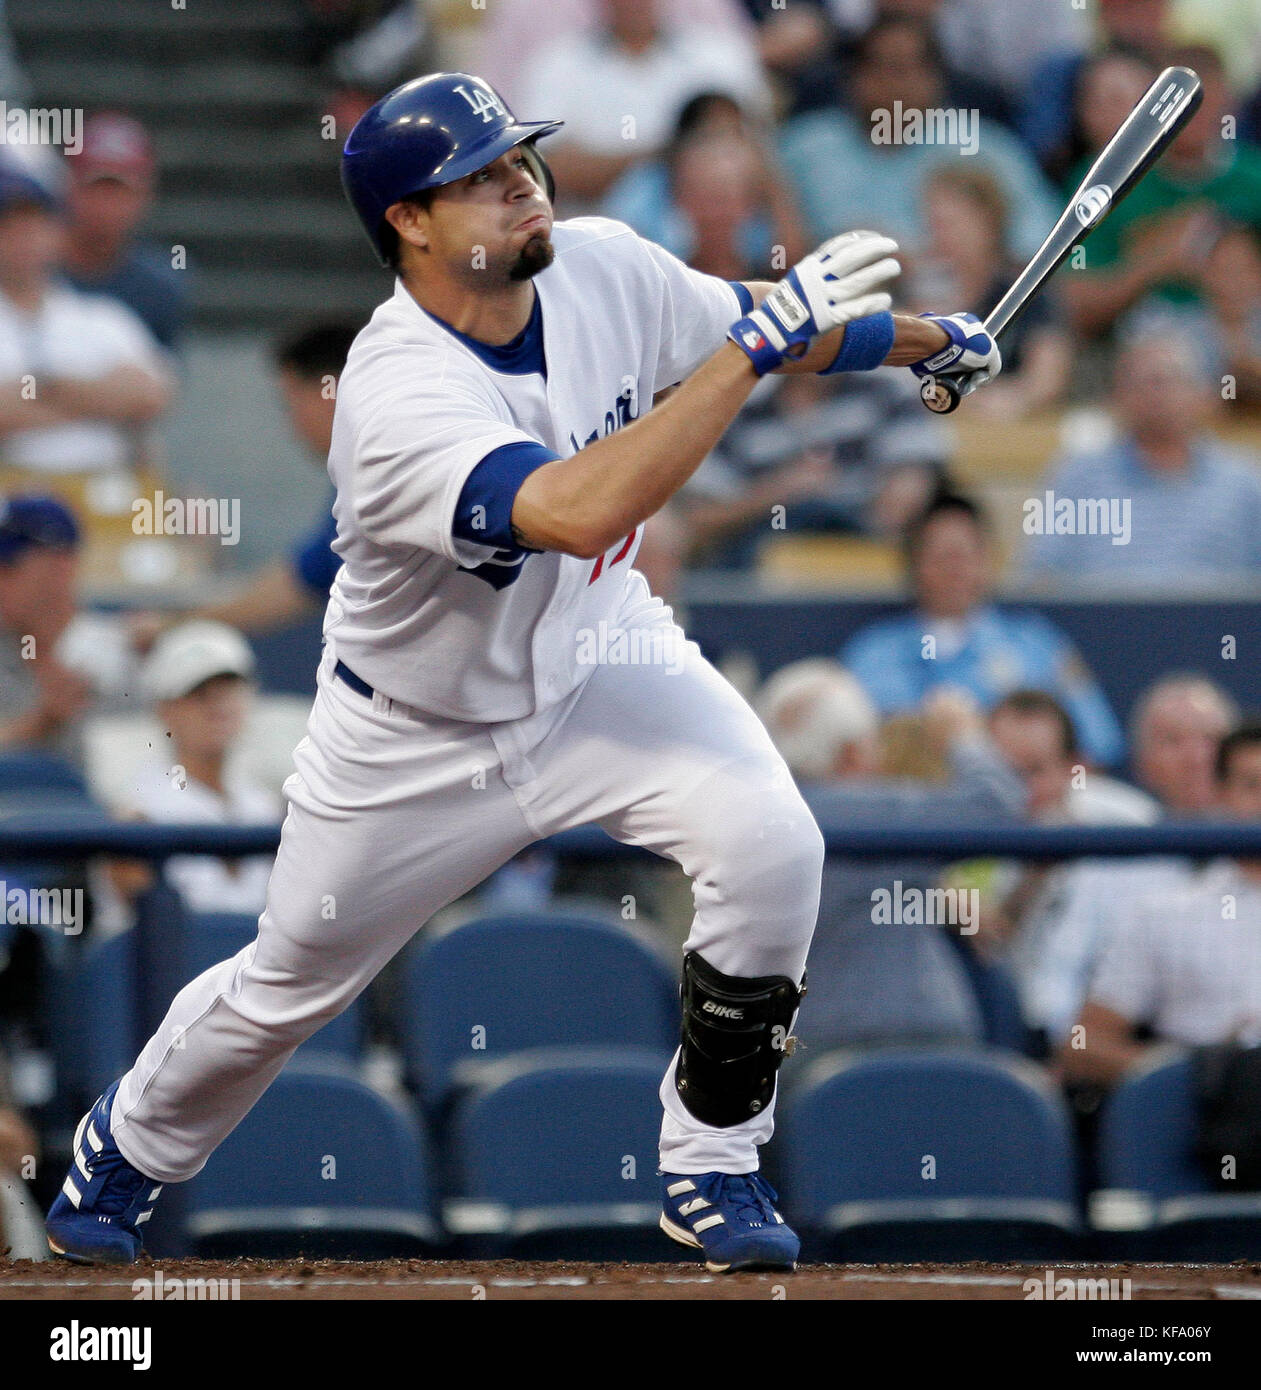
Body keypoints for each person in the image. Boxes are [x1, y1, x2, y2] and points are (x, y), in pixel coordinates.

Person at [44, 70, 1000, 1274]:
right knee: (288, 985)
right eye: (481, 177)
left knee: (773, 844)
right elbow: (578, 503)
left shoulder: (598, 262)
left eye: (520, 160)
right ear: (410, 221)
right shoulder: (395, 393)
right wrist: (749, 356)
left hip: (598, 654)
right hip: (416, 731)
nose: (519, 186)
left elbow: (760, 315)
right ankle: (125, 1142)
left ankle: (710, 1161)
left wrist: (929, 342)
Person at [756, 660, 1024, 1050]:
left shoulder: (748, 816)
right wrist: (963, 736)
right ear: (850, 755)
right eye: (872, 745)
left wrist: (931, 888)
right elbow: (997, 805)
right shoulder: (868, 808)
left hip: (785, 1051)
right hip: (910, 1042)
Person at [1000, 674, 1239, 1047]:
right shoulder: (1111, 858)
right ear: (1143, 763)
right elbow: (1056, 987)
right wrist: (1081, 1055)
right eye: (1173, 741)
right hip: (1141, 1069)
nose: (1197, 757)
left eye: (1210, 740)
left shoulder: (1249, 869)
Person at [842, 492, 1126, 768]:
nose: (955, 569)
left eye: (965, 554)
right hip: (917, 804)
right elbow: (869, 744)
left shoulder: (1036, 642)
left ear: (988, 560)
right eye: (941, 556)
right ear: (915, 564)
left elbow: (1098, 741)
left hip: (1032, 806)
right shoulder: (876, 649)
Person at [1061, 722, 1261, 1087]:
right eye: (1253, 786)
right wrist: (1201, 1072)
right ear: (1220, 794)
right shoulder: (1165, 913)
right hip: (1211, 1121)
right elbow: (1084, 1046)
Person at [779, 14, 1059, 261]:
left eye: (907, 70)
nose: (895, 86)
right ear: (854, 79)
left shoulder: (985, 146)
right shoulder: (803, 146)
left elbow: (1037, 243)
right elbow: (757, 245)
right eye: (883, 68)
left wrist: (930, 260)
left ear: (936, 80)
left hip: (958, 311)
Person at [1021, 336, 1261, 590]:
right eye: (1138, 384)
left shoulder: (1242, 483)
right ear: (1117, 396)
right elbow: (1041, 580)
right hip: (1102, 626)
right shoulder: (1078, 479)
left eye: (1164, 382)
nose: (1153, 395)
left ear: (1200, 394)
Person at [0, 159, 172, 477]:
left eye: (33, 225)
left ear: (57, 233)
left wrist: (38, 391)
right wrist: (97, 406)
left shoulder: (102, 318)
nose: (21, 240)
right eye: (7, 228)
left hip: (102, 493)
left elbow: (149, 396)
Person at [101, 622, 280, 918]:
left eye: (228, 689)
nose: (218, 705)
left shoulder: (266, 807)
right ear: (166, 710)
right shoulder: (137, 812)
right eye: (198, 693)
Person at [517, 0, 771, 206]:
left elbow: (756, 153)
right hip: (597, 235)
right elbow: (547, 170)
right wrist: (662, 158)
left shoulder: (719, 54)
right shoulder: (557, 63)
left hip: (717, 240)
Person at [911, 166, 1072, 418]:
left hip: (1008, 427)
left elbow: (1047, 378)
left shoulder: (1026, 290)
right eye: (932, 225)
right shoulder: (917, 290)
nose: (939, 236)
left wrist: (1015, 397)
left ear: (989, 223)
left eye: (950, 223)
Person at [61, 113, 188, 352]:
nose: (106, 205)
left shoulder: (160, 285)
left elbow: (161, 382)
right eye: (95, 188)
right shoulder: (28, 266)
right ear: (69, 187)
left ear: (145, 195)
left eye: (120, 191)